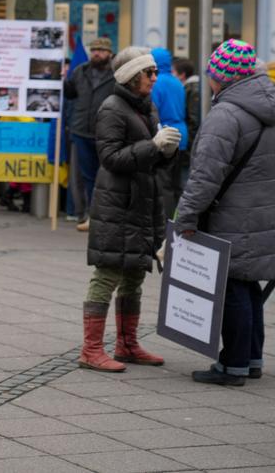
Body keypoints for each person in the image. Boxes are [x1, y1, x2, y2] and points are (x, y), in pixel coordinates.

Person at [174, 40, 274, 386]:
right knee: (249, 287)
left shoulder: (226, 114)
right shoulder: (268, 105)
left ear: (222, 77)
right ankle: (252, 359)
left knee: (233, 287)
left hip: (232, 215)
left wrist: (185, 218)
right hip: (264, 215)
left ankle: (232, 366)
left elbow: (204, 176)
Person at [79, 46, 179, 372]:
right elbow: (110, 158)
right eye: (148, 73)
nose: (155, 78)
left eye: (154, 72)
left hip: (142, 202)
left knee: (135, 272)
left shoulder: (144, 106)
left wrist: (167, 150)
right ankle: (91, 350)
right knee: (108, 273)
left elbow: (147, 157)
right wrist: (152, 146)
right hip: (117, 203)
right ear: (131, 77)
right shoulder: (112, 108)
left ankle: (127, 343)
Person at [65, 37, 116, 232]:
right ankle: (84, 214)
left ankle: (101, 215)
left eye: (101, 50)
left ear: (109, 53)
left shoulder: (116, 74)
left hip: (105, 132)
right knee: (81, 177)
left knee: (104, 176)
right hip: (80, 130)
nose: (97, 53)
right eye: (94, 50)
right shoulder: (80, 71)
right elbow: (71, 95)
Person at [150, 47, 188, 218]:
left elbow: (154, 110)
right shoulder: (177, 82)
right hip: (182, 134)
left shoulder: (156, 82)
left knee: (163, 184)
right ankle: (179, 219)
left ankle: (166, 224)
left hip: (166, 134)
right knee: (177, 184)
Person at [173, 57, 200, 187]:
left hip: (189, 146)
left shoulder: (192, 90)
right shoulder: (188, 88)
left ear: (182, 75)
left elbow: (193, 120)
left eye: (173, 72)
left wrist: (189, 147)